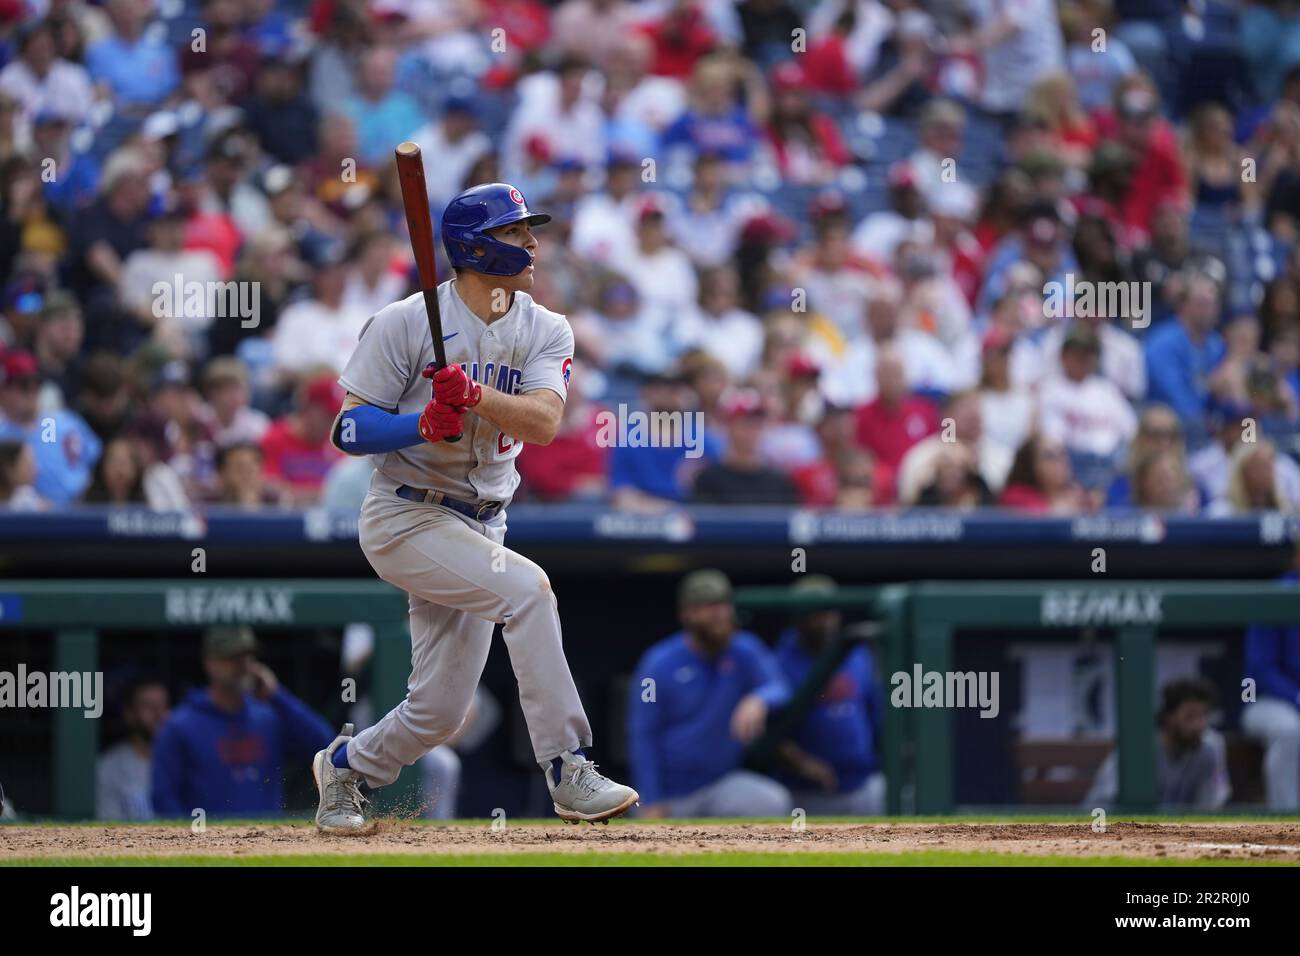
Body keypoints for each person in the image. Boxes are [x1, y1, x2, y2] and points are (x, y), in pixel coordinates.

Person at [319, 182, 639, 830]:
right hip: (406, 514)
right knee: (528, 592)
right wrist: (421, 425)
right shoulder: (404, 322)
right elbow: (349, 431)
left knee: (438, 712)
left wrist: (472, 398)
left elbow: (545, 423)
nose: (533, 244)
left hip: (482, 520)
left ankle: (347, 767)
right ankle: (568, 766)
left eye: (530, 231)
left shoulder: (547, 327)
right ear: (474, 248)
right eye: (516, 233)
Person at [627, 570, 793, 818]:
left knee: (772, 801)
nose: (719, 614)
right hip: (672, 796)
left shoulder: (743, 649)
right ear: (687, 614)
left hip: (719, 785)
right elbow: (643, 735)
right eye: (708, 606)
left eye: (723, 604)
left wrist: (758, 699)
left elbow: (780, 688)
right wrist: (651, 799)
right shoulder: (657, 663)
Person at [151, 627, 335, 818]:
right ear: (210, 663)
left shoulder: (268, 717)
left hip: (266, 840)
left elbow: (324, 746)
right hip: (209, 840)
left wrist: (277, 695)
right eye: (233, 658)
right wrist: (192, 840)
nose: (244, 665)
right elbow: (163, 798)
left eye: (249, 657)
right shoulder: (180, 725)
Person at [774, 576, 886, 816]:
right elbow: (767, 733)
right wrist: (802, 764)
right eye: (816, 614)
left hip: (862, 783)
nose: (824, 622)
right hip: (807, 793)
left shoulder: (856, 654)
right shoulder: (778, 663)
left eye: (829, 613)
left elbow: (876, 713)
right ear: (798, 619)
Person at [1086, 677, 1231, 809]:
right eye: (1190, 716)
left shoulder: (1210, 747)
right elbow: (1102, 802)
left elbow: (1211, 805)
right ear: (1169, 717)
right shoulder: (1140, 746)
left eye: (1204, 715)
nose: (1199, 725)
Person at [1241, 543, 1300, 810]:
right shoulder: (1277, 593)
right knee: (1290, 731)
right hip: (1268, 701)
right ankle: (1288, 821)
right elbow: (1259, 671)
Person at [96, 677, 170, 820]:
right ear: (129, 714)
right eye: (149, 706)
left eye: (163, 705)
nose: (159, 714)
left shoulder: (184, 761)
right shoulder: (109, 767)